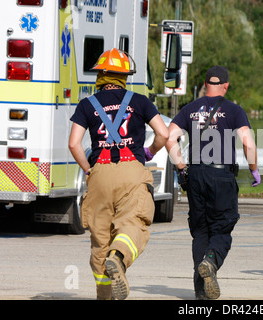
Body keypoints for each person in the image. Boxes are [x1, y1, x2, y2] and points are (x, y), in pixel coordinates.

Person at [68, 48, 169, 300]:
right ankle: (119, 257)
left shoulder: (86, 104)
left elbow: (73, 144)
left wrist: (88, 169)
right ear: (125, 77)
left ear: (100, 75)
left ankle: (105, 296)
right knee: (133, 223)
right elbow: (164, 134)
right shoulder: (140, 101)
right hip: (132, 171)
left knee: (100, 239)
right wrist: (150, 152)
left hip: (99, 173)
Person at [166, 66, 260, 299]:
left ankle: (201, 291)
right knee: (223, 226)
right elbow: (248, 144)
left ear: (206, 84)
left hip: (196, 174)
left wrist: (181, 167)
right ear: (226, 86)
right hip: (222, 176)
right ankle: (211, 261)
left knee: (200, 231)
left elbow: (169, 137)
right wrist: (254, 169)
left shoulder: (189, 109)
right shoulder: (234, 110)